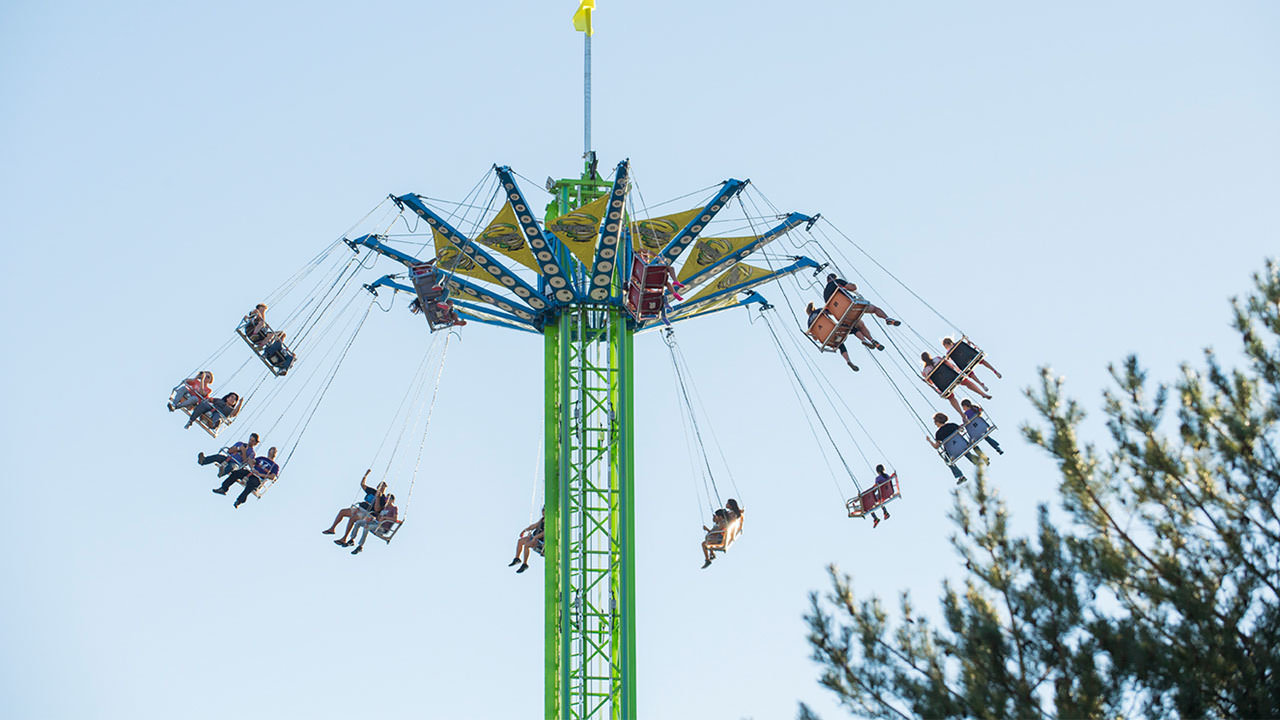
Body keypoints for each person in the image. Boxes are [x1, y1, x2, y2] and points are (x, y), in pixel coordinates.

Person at [921, 351, 992, 414]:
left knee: (951, 397)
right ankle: (982, 393)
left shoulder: (925, 371)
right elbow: (950, 366)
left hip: (944, 385)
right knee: (967, 382)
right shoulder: (938, 359)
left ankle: (962, 414)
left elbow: (931, 382)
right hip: (953, 377)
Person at [324, 470, 386, 539]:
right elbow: (362, 484)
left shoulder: (383, 499)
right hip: (360, 509)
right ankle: (332, 529)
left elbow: (377, 510)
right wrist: (366, 475)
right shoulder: (372, 491)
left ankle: (344, 538)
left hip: (368, 514)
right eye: (379, 486)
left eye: (382, 487)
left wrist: (378, 497)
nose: (380, 488)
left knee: (352, 519)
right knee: (342, 512)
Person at [927, 413, 986, 485]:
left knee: (948, 461)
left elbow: (936, 446)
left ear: (937, 422)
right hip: (962, 445)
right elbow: (961, 430)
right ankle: (978, 461)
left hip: (952, 452)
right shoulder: (952, 425)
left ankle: (960, 476)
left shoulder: (938, 434)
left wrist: (929, 440)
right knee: (964, 450)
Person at [213, 446, 279, 507]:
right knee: (236, 473)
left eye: (274, 451)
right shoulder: (262, 458)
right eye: (271, 450)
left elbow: (272, 476)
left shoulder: (275, 466)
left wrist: (260, 474)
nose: (272, 452)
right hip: (251, 472)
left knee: (251, 484)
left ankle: (240, 500)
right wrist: (252, 468)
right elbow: (251, 460)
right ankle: (223, 488)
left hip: (258, 478)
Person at [805, 302, 859, 371]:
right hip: (834, 330)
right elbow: (831, 312)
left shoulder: (809, 323)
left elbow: (815, 338)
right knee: (852, 328)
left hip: (827, 339)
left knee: (840, 344)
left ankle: (848, 361)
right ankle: (864, 339)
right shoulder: (819, 310)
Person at [509, 507, 545, 574]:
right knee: (520, 541)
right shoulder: (542, 520)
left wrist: (535, 537)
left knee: (527, 545)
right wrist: (525, 530)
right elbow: (534, 526)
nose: (543, 513)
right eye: (542, 511)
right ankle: (517, 558)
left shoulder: (549, 522)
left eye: (544, 511)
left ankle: (525, 564)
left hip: (540, 542)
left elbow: (545, 532)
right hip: (534, 538)